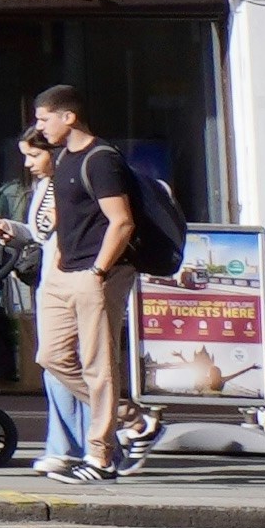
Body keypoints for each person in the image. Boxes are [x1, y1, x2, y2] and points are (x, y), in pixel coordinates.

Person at [26, 85, 165, 479]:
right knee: (51, 357)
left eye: (44, 119)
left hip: (97, 273)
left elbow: (121, 221)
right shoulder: (64, 158)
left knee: (98, 366)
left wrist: (98, 271)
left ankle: (100, 457)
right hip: (64, 272)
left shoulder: (101, 159)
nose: (40, 128)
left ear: (68, 117)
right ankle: (134, 421)